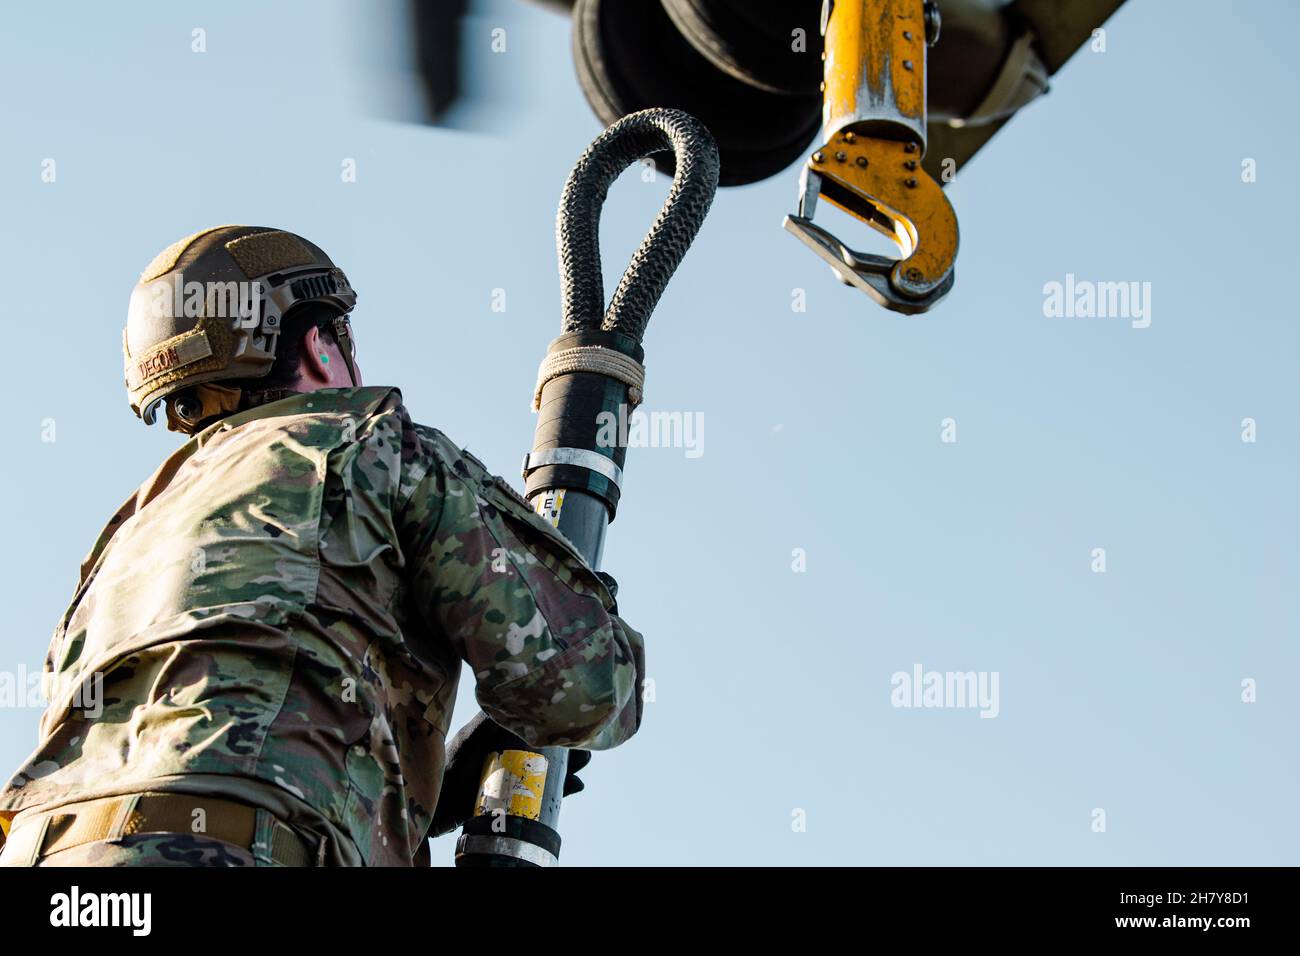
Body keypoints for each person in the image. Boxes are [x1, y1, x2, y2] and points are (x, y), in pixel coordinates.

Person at [0, 225, 645, 867]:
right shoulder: (374, 443)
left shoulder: (124, 538)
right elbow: (583, 685)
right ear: (317, 347)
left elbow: (189, 741)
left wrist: (417, 798)